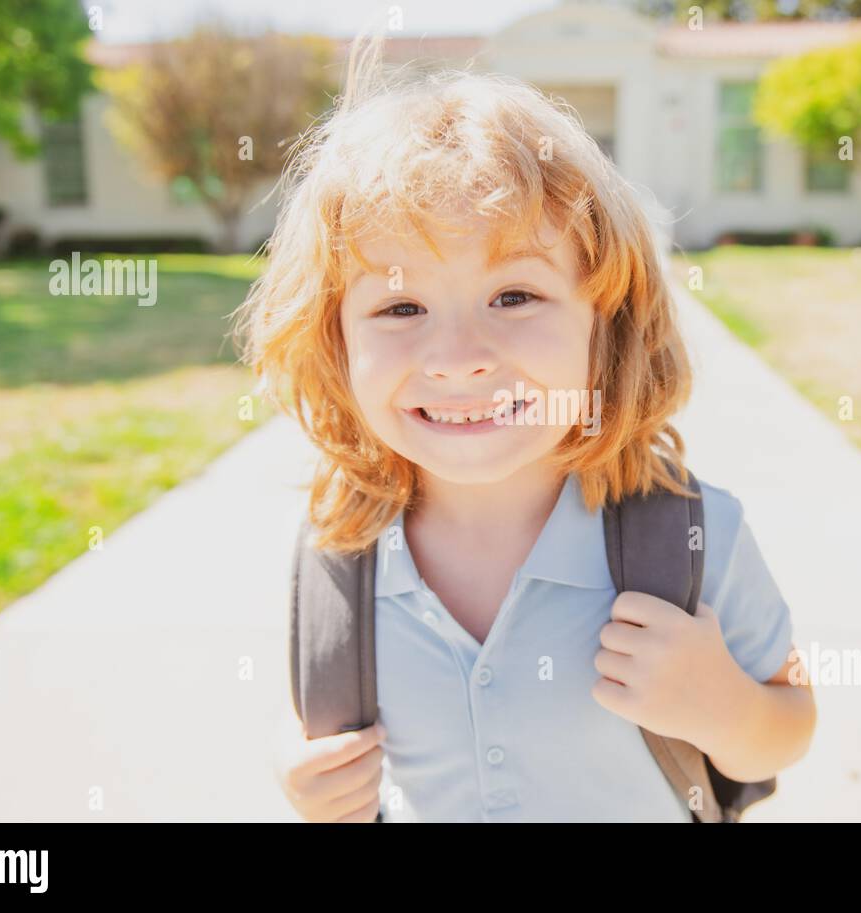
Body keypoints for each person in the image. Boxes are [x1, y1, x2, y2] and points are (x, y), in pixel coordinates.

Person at [235, 32, 816, 823]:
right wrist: (296, 763)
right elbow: (314, 702)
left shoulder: (688, 535)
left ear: (604, 325)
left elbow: (788, 720)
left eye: (514, 297)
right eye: (401, 307)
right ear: (336, 346)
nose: (459, 358)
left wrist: (724, 710)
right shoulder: (342, 556)